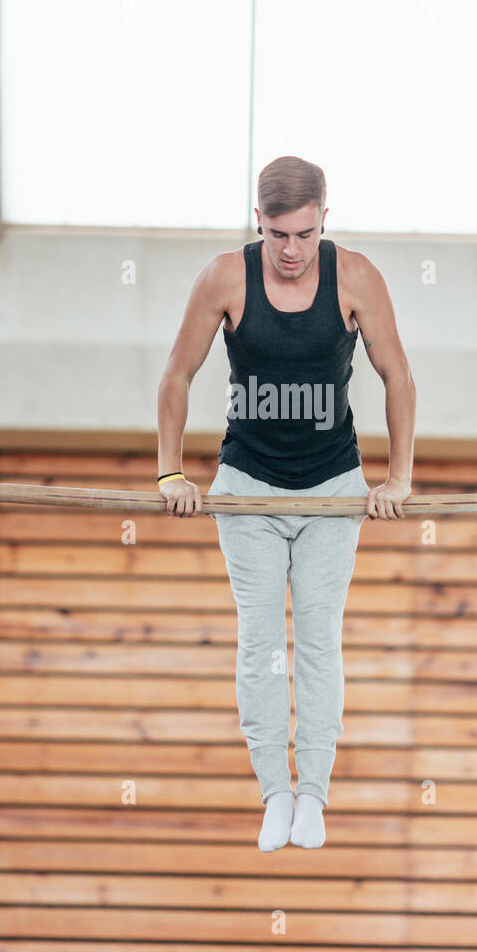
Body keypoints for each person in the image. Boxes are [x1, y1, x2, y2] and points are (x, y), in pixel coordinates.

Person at [157, 156, 416, 851]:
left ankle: (315, 794)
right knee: (260, 640)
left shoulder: (356, 277)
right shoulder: (225, 277)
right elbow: (178, 374)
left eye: (304, 234)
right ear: (258, 223)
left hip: (333, 486)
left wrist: (399, 480)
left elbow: (398, 377)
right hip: (248, 489)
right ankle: (275, 789)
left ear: (324, 219)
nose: (293, 251)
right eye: (278, 236)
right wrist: (169, 476)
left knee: (320, 639)